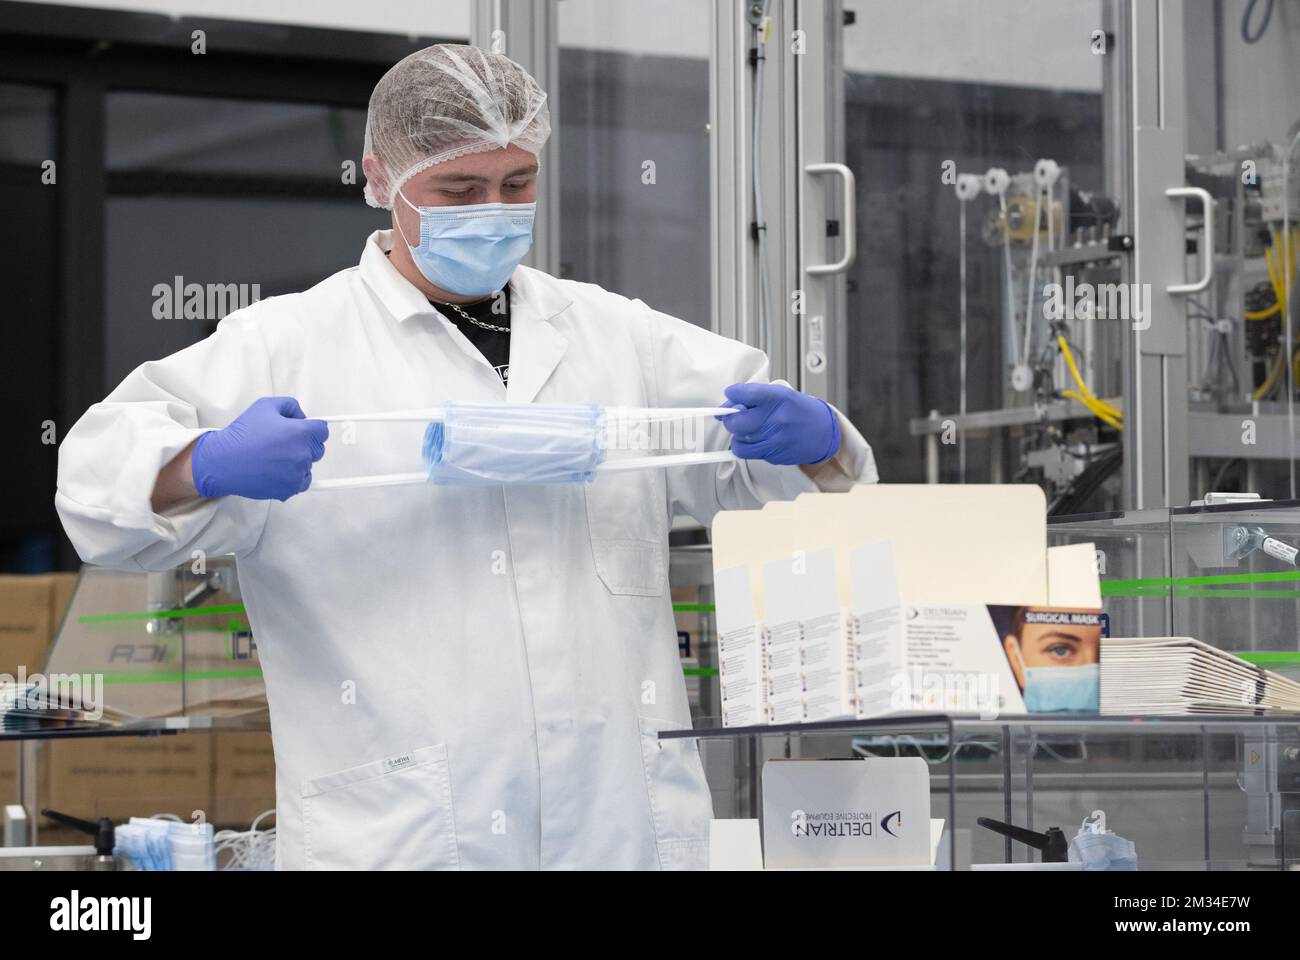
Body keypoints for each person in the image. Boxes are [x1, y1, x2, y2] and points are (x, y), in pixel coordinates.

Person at [56, 43, 878, 870]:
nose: (494, 210)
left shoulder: (612, 333)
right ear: (380, 180)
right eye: (458, 189)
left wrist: (819, 443)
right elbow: (94, 485)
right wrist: (200, 465)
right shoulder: (286, 346)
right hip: (405, 832)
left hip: (617, 827)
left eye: (516, 184)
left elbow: (779, 474)